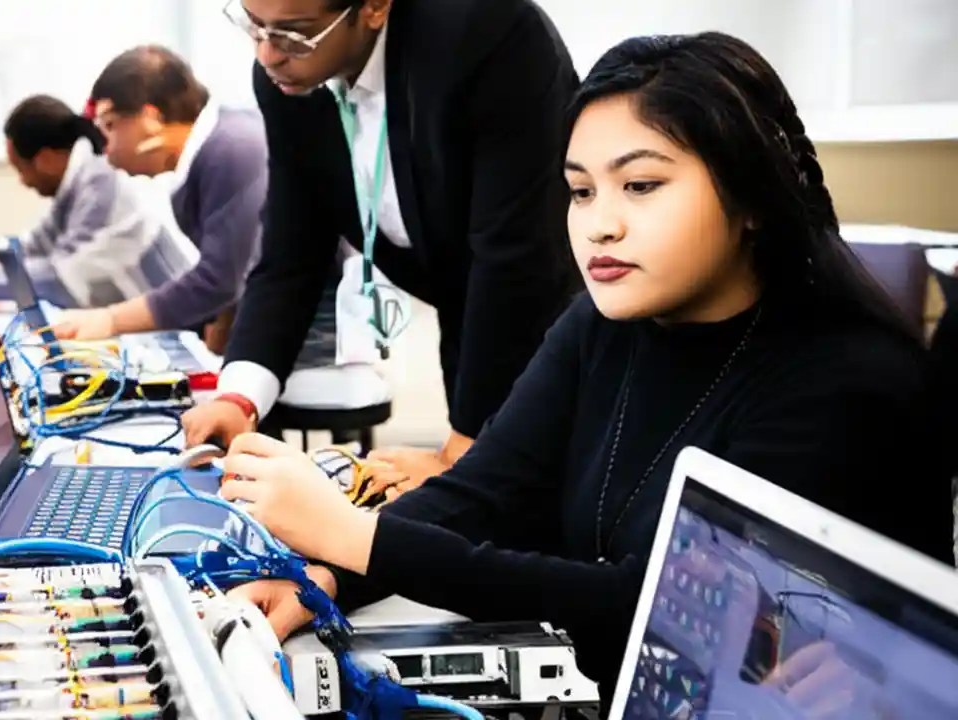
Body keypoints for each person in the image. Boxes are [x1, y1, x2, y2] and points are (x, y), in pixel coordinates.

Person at [217, 32, 955, 707]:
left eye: (641, 186)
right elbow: (482, 494)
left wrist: (353, 537)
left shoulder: (846, 384)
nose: (600, 223)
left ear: (752, 196)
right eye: (580, 190)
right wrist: (325, 578)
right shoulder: (601, 325)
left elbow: (662, 615)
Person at [180, 0, 580, 481]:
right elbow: (291, 254)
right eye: (254, 26)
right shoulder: (289, 77)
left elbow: (517, 256)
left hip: (558, 327)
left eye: (294, 33)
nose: (267, 55)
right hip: (466, 315)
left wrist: (468, 444)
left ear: (373, 7)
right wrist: (238, 397)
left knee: (539, 490)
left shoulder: (487, 32)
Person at [51, 45, 266, 354]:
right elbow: (241, 266)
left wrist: (109, 320)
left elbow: (219, 280)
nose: (106, 150)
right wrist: (224, 323)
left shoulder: (232, 149)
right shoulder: (215, 148)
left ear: (150, 118)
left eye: (109, 126)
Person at [0, 94, 167, 309]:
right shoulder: (78, 183)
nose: (23, 182)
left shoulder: (99, 184)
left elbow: (61, 278)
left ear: (46, 159)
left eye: (21, 170)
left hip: (170, 319)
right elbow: (36, 243)